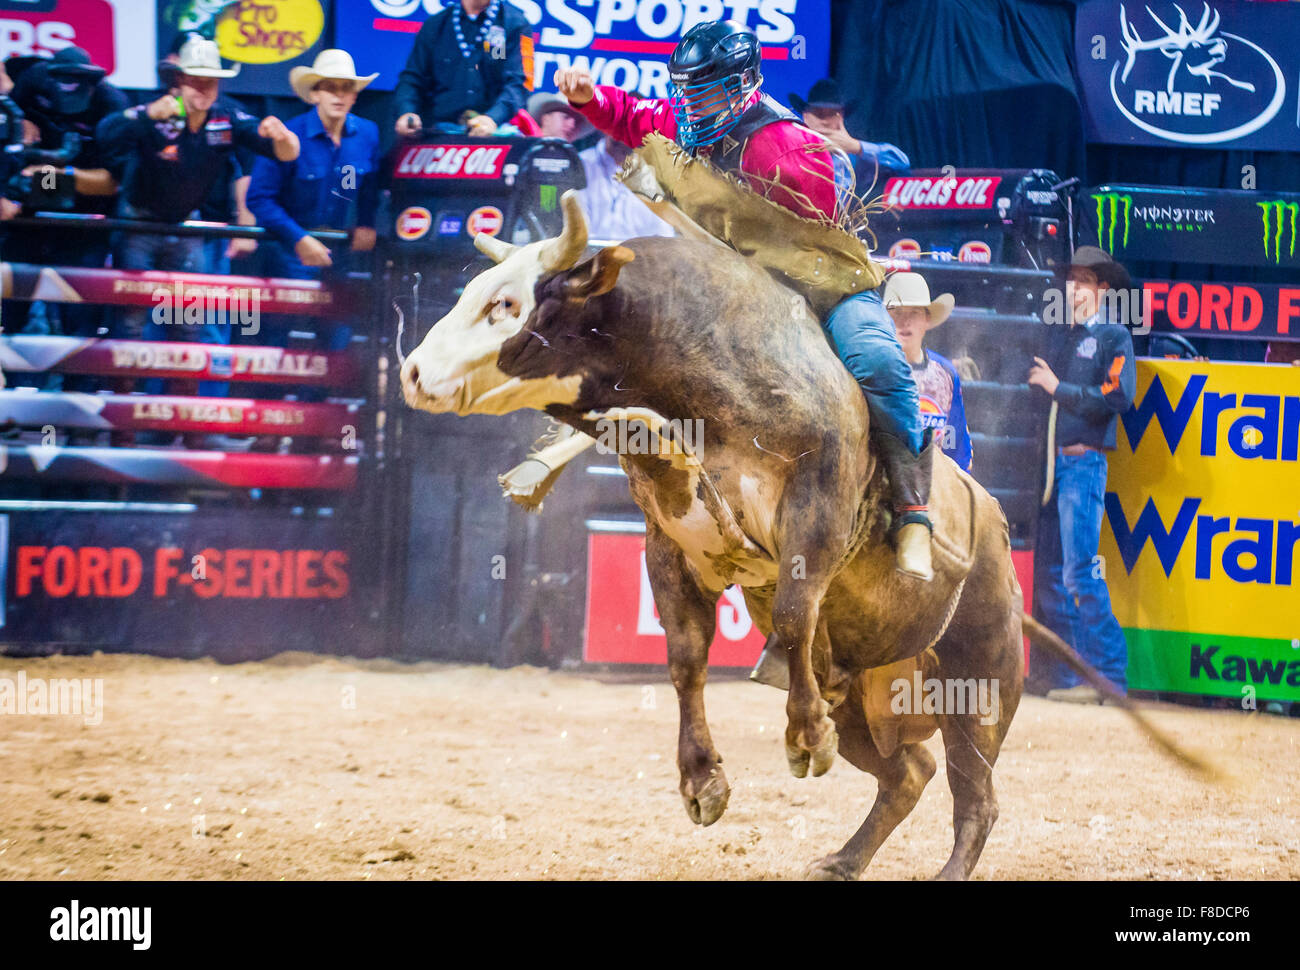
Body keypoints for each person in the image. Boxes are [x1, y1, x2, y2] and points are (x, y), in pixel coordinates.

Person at [557, 19, 935, 580]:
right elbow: (636, 118)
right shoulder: (684, 122)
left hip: (819, 282)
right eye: (683, 87)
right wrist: (591, 100)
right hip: (736, 285)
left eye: (702, 88)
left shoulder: (788, 147)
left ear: (739, 85)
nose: (687, 101)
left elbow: (819, 230)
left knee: (877, 361)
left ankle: (912, 512)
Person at [97, 36, 299, 406]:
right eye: (196, 79)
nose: (204, 88)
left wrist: (282, 136)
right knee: (130, 324)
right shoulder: (156, 113)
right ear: (180, 80)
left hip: (187, 227)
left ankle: (189, 428)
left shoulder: (228, 118)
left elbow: (284, 151)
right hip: (138, 225)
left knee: (189, 326)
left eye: (211, 80)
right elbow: (104, 135)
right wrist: (142, 117)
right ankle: (121, 426)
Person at [245, 48, 380, 421]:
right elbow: (259, 197)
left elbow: (370, 187)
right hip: (288, 253)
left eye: (346, 88)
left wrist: (367, 221)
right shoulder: (290, 135)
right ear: (315, 93)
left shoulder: (367, 134)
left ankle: (312, 426)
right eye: (330, 87)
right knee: (276, 340)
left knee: (334, 342)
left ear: (355, 95)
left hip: (338, 254)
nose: (338, 95)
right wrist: (298, 239)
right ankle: (265, 428)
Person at [1028, 246, 1136, 703]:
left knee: (1079, 572)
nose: (1074, 288)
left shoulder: (1113, 336)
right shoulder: (1066, 336)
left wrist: (1058, 389)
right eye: (1071, 280)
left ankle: (1109, 677)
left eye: (1085, 281)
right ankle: (1076, 678)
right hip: (1056, 468)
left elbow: (1118, 396)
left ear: (1102, 288)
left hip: (1083, 465)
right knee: (1057, 572)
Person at [2, 47, 127, 388]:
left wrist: (56, 176)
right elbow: (9, 120)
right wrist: (20, 123)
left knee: (80, 321)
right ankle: (9, 411)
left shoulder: (113, 106)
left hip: (84, 222)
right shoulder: (32, 80)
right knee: (10, 311)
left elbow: (113, 182)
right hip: (30, 219)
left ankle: (78, 415)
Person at [393, 0, 531, 138]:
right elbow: (412, 78)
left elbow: (520, 81)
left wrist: (493, 118)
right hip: (440, 132)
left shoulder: (515, 23)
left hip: (494, 132)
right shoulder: (435, 25)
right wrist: (407, 112)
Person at [884, 272, 971, 473]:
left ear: (927, 319)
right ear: (884, 319)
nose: (904, 321)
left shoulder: (946, 375)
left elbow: (958, 450)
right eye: (896, 312)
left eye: (914, 312)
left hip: (935, 489)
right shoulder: (868, 370)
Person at [790, 78, 910, 194]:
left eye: (832, 114)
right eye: (819, 113)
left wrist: (857, 147)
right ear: (806, 115)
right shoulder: (791, 151)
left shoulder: (856, 157)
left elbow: (902, 163)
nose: (825, 121)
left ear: (841, 116)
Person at [578, 135, 675, 242]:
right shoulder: (580, 164)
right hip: (586, 257)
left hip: (639, 256)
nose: (623, 133)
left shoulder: (656, 174)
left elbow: (664, 237)